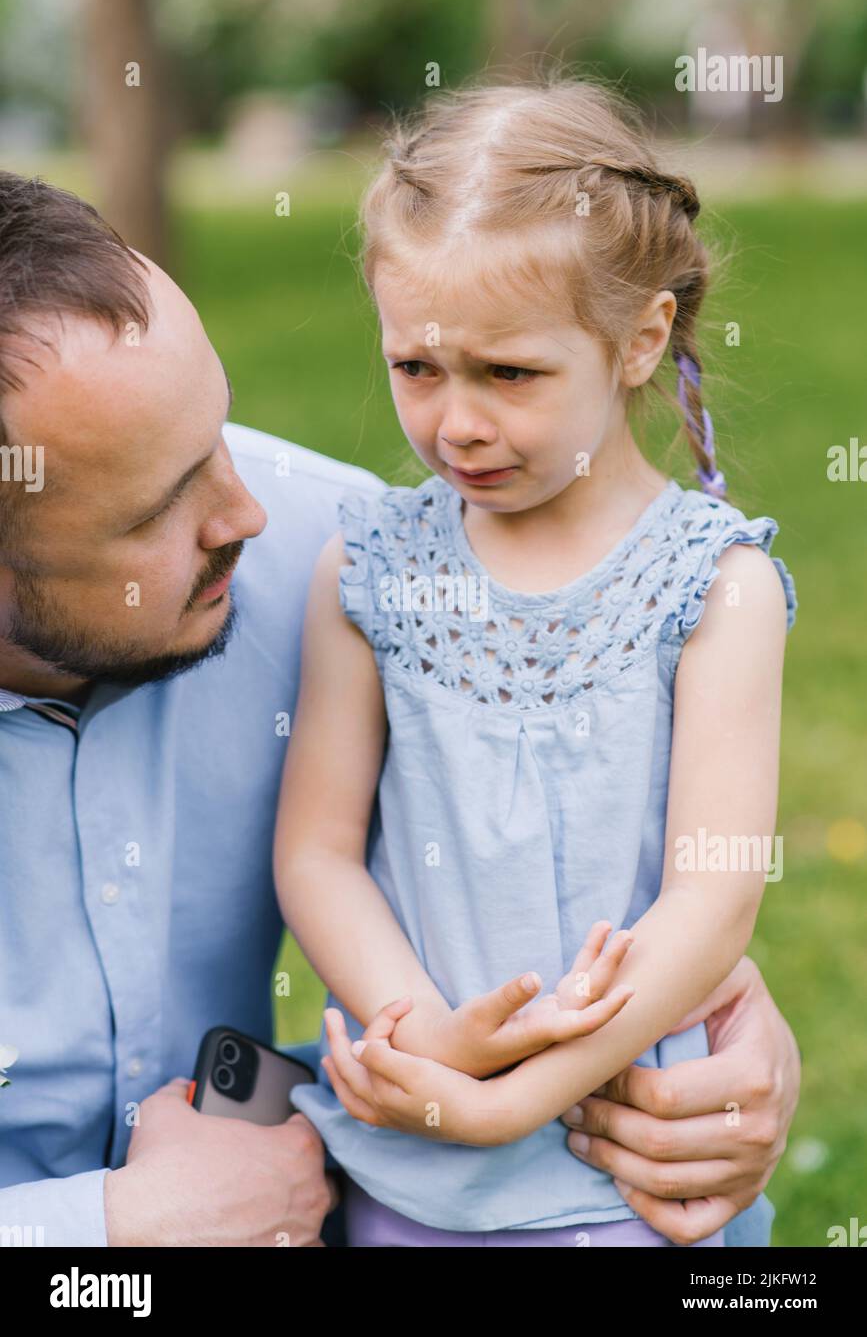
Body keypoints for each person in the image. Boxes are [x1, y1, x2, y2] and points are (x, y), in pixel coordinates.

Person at [0, 168, 798, 1250]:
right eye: (158, 508)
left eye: (220, 440)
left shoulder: (363, 561)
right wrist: (105, 1235)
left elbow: (615, 849)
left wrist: (731, 1031)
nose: (247, 512)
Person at [274, 76, 799, 1247]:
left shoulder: (717, 587)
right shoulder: (365, 570)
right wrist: (424, 1043)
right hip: (405, 1156)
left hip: (629, 1167)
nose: (456, 421)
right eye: (417, 367)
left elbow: (713, 899)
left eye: (509, 374)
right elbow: (316, 851)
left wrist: (509, 1098)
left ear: (639, 340)